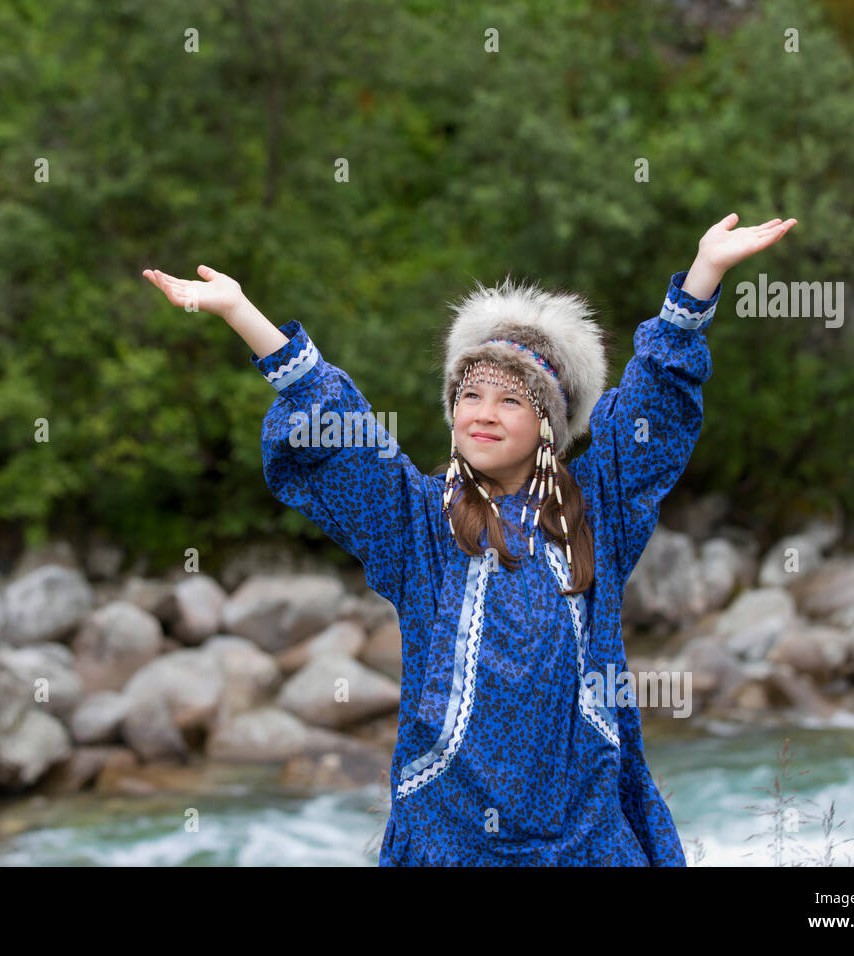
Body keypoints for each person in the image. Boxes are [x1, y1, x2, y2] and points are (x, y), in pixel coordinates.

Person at [143, 212, 796, 865]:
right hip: (448, 836)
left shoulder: (599, 509)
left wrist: (704, 274)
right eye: (470, 395)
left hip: (584, 838)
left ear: (549, 424)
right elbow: (340, 428)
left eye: (511, 401)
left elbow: (654, 402)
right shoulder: (416, 523)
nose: (482, 414)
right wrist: (240, 311)